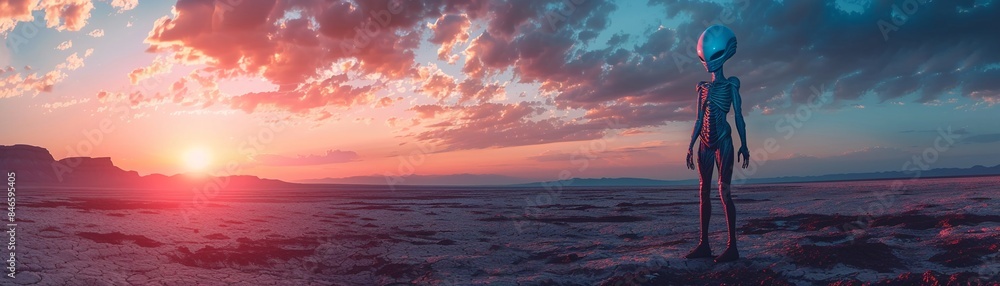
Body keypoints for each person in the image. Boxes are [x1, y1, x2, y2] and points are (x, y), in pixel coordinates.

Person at [683, 25, 749, 263]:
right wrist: (691, 145)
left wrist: (744, 144)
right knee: (703, 191)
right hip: (704, 143)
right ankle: (704, 244)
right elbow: (698, 119)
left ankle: (732, 247)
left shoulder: (731, 85)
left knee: (724, 191)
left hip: (723, 141)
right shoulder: (702, 88)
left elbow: (738, 116)